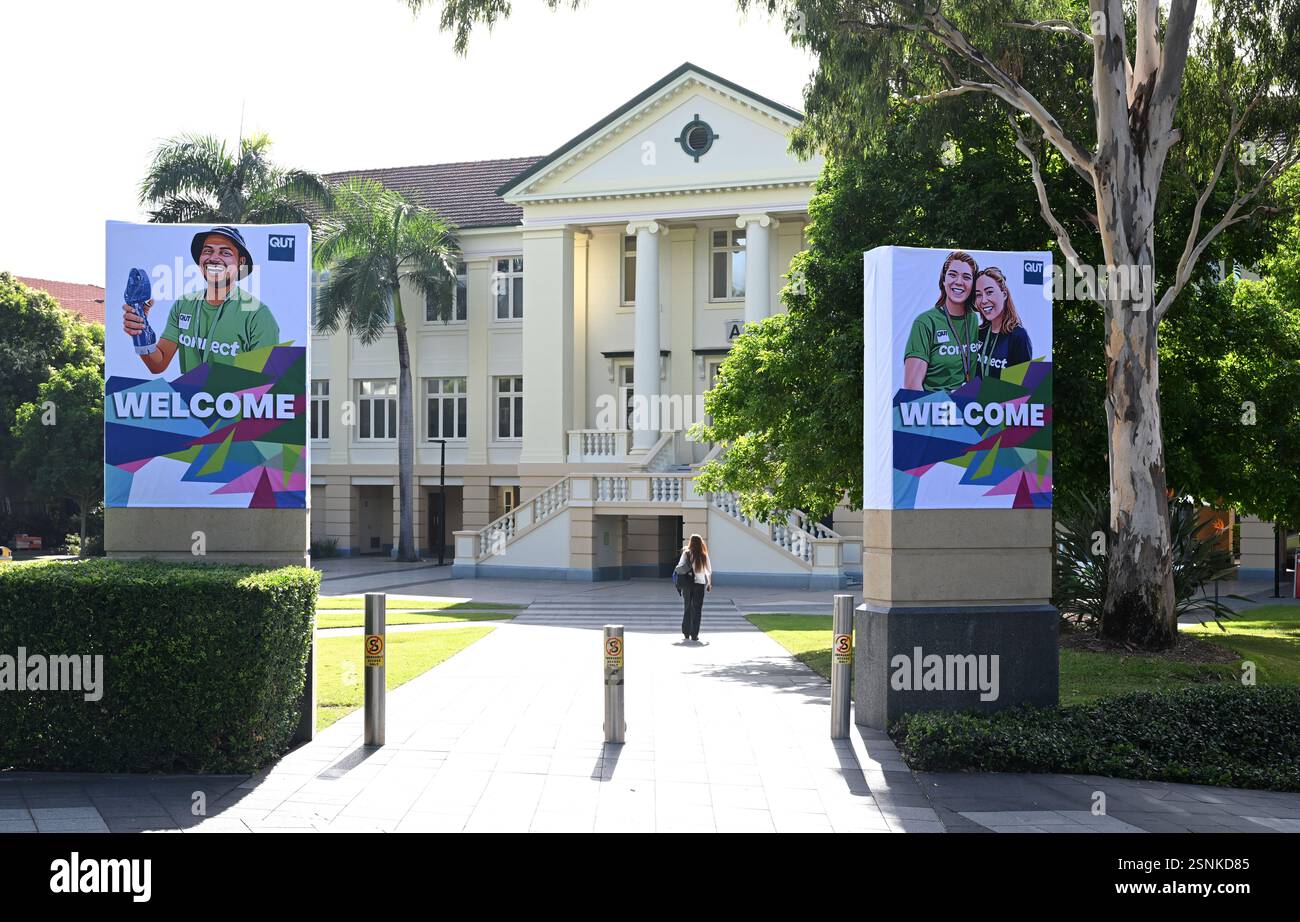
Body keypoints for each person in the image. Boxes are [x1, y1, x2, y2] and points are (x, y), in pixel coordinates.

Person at [121, 225, 281, 376]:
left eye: (225, 253)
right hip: (188, 404)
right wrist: (140, 331)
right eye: (208, 251)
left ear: (241, 262)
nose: (214, 258)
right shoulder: (183, 305)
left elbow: (263, 383)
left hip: (235, 404)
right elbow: (158, 364)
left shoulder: (258, 315)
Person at [902, 250, 981, 392]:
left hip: (969, 410)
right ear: (943, 280)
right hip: (936, 410)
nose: (959, 282)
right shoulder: (925, 322)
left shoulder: (974, 319)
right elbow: (911, 387)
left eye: (966, 277)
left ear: (973, 285)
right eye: (952, 275)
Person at [972, 267, 1032, 379]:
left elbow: (1023, 385)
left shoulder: (1018, 336)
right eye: (978, 295)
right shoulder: (979, 332)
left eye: (989, 292)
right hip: (974, 396)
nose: (983, 300)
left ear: (1004, 295)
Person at [675, 533, 712, 642]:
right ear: (701, 543)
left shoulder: (686, 553)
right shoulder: (704, 555)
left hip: (687, 584)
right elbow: (708, 571)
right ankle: (694, 634)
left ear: (691, 542)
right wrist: (709, 584)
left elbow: (680, 567)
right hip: (699, 585)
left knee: (687, 608)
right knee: (697, 609)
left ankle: (686, 632)